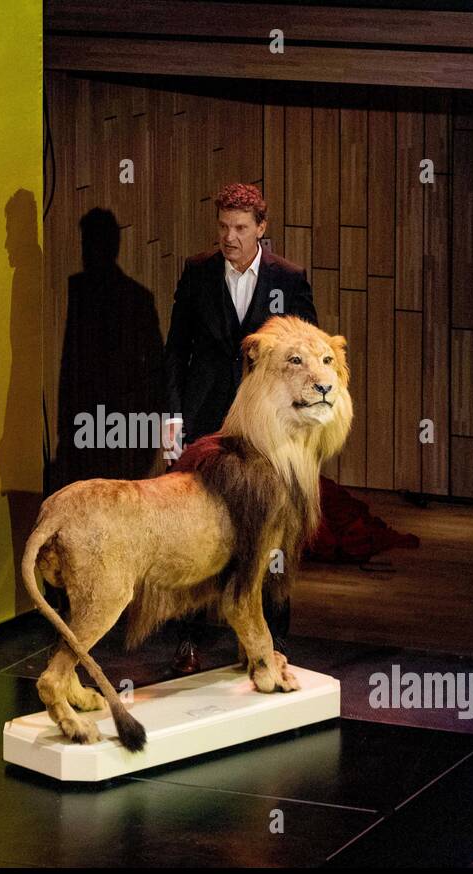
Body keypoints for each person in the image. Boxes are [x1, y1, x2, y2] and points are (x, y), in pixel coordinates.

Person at [162, 183, 317, 674]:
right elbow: (175, 351)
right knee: (195, 527)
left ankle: (268, 644)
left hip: (267, 426)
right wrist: (171, 419)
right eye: (224, 227)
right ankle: (187, 638)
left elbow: (309, 358)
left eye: (240, 228)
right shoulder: (197, 272)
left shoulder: (289, 279)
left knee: (268, 532)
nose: (230, 237)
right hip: (206, 416)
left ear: (261, 230)